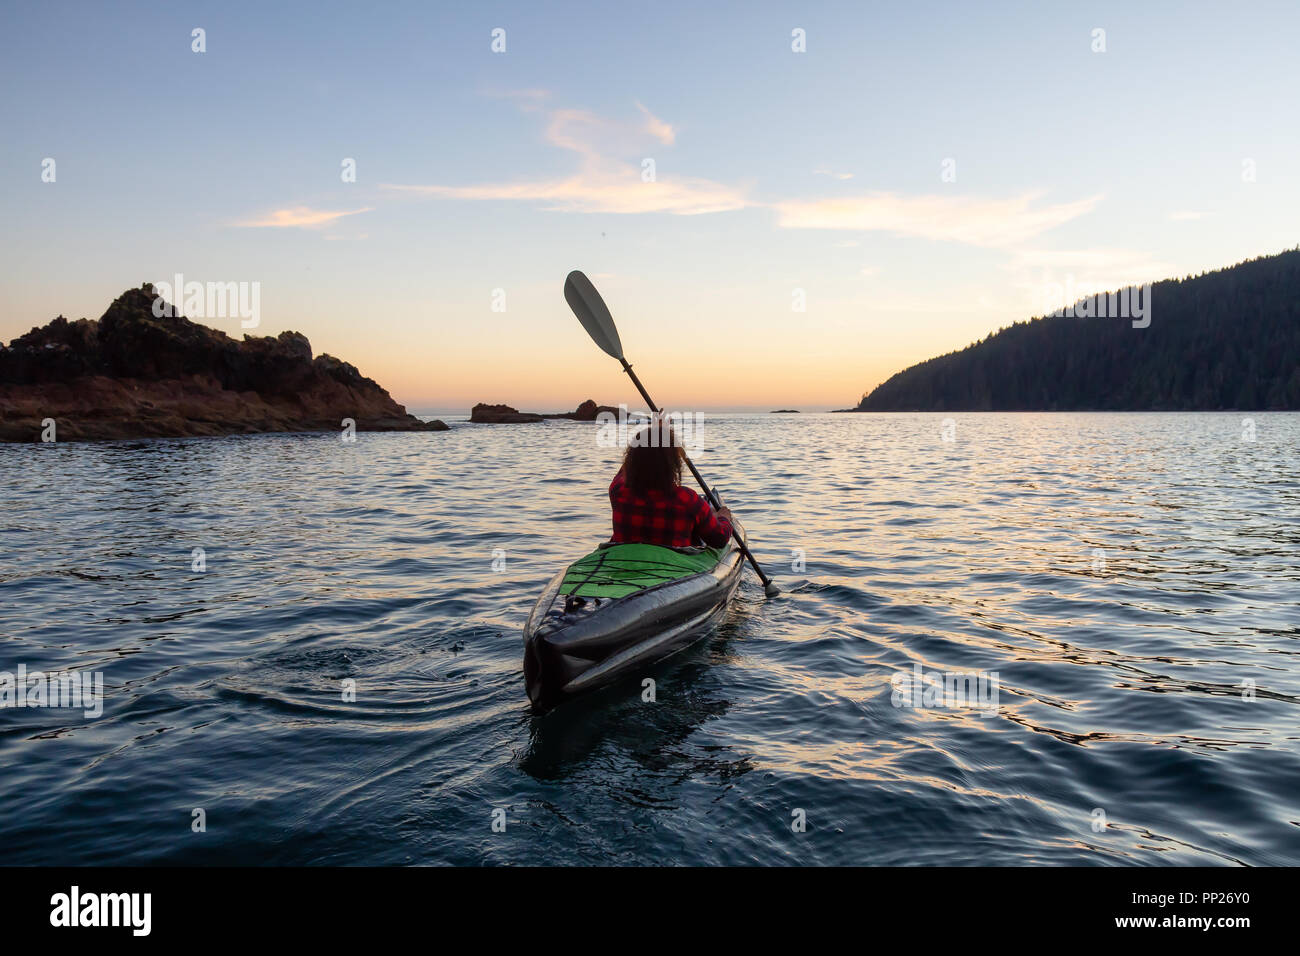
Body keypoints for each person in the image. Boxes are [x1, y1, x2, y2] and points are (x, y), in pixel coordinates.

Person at [609, 421, 733, 549]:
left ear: (631, 459)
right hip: (673, 566)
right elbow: (719, 539)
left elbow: (623, 472)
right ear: (673, 463)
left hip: (624, 563)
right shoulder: (687, 499)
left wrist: (654, 433)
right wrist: (724, 518)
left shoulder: (618, 491)